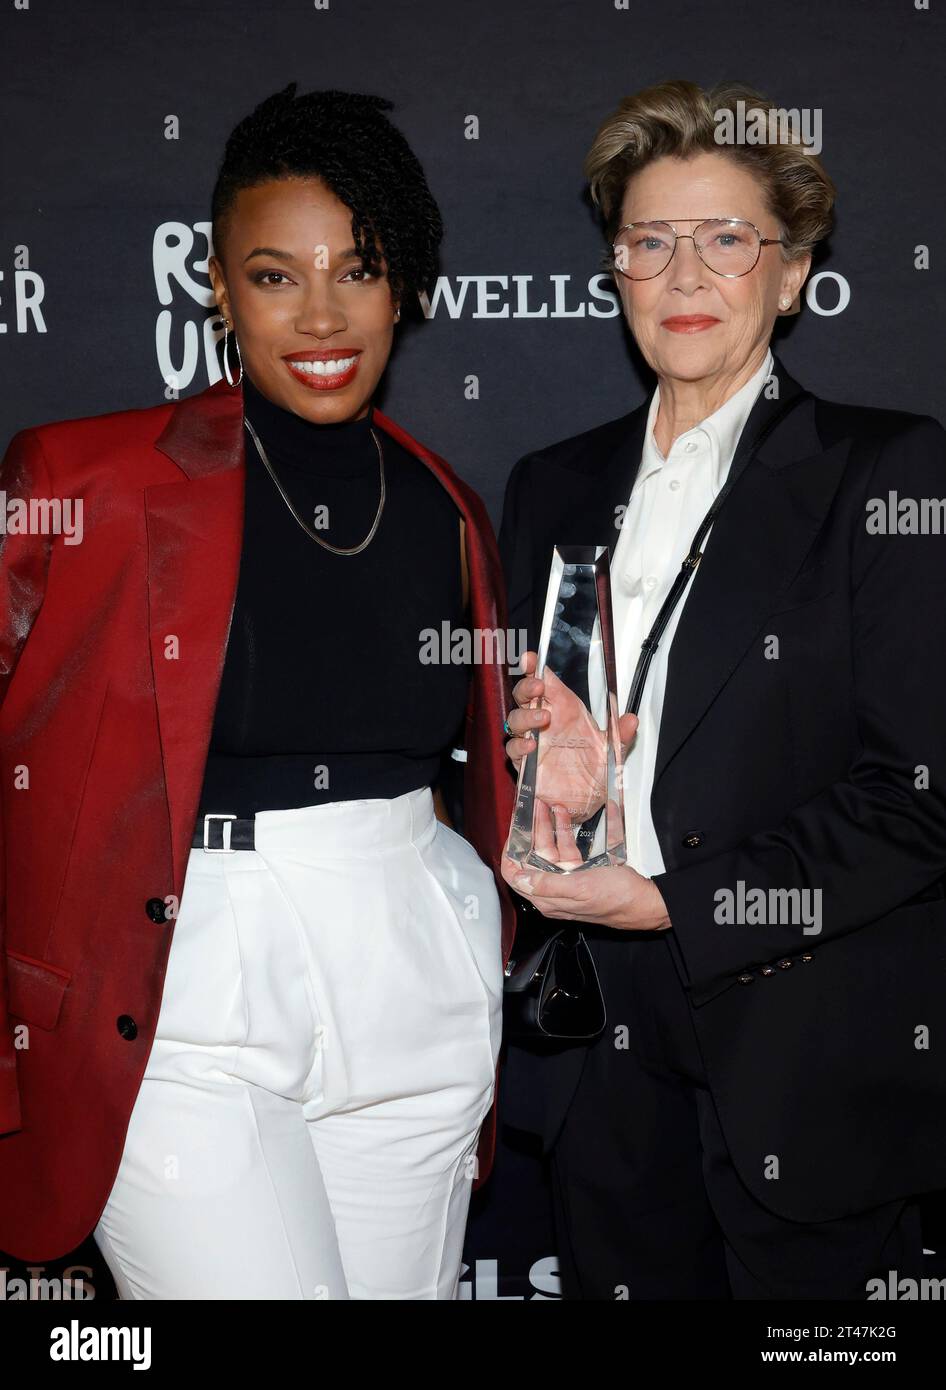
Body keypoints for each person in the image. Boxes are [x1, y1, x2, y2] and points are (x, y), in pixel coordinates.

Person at [0, 83, 516, 1299]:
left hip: (417, 960)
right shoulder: (85, 479)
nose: (322, 314)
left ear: (409, 288)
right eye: (276, 275)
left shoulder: (450, 509)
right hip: (178, 982)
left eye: (361, 270)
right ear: (219, 289)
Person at [497, 78, 946, 1300]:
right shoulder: (550, 482)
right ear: (616, 270)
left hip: (805, 1051)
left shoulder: (884, 471)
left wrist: (678, 904)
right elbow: (534, 737)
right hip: (601, 1048)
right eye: (651, 242)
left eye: (725, 239)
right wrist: (550, 785)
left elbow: (915, 800)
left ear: (790, 272)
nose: (685, 275)